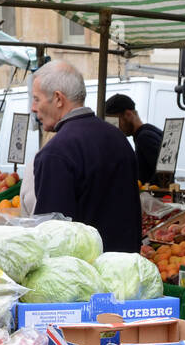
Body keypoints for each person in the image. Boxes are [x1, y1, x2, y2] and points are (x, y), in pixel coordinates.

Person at [28, 62, 141, 252]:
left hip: (85, 274)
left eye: (36, 99)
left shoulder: (56, 153)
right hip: (126, 269)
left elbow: (53, 237)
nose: (32, 108)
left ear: (58, 99)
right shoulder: (118, 138)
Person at [103, 94, 163, 185]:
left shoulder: (144, 137)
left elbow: (162, 173)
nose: (115, 128)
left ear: (128, 114)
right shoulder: (148, 132)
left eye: (116, 122)